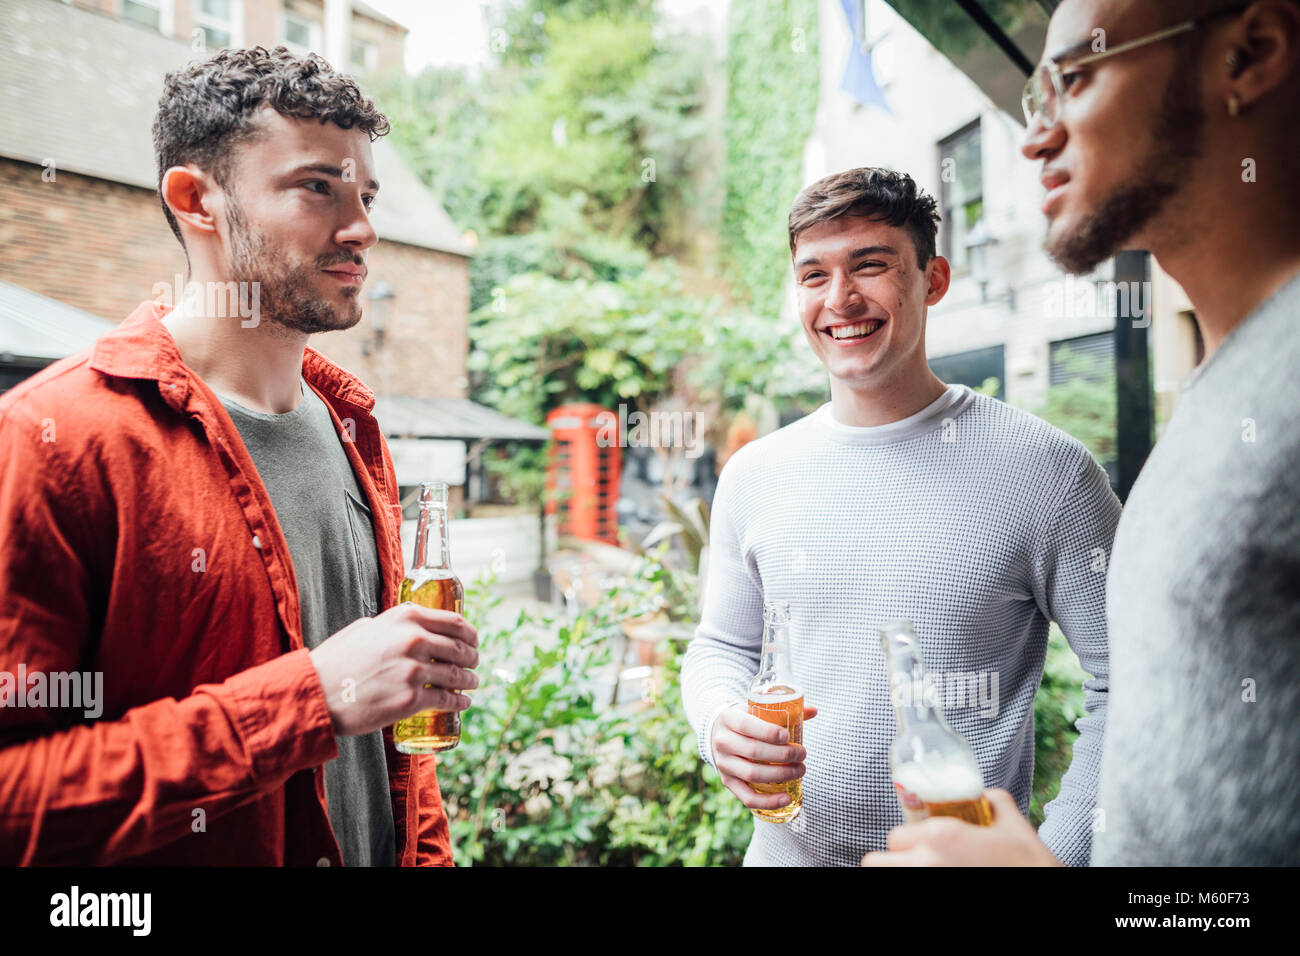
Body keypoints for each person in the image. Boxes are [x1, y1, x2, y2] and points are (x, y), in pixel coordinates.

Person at [0, 46, 478, 866]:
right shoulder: (54, 441)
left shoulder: (356, 429)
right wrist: (312, 698)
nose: (362, 227)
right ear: (196, 200)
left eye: (365, 194)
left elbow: (401, 755)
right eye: (316, 187)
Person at [865, 0, 1300, 866]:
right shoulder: (1229, 387)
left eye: (1076, 77)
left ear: (1249, 53)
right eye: (1034, 101)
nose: (1035, 139)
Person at [681, 166, 1120, 866]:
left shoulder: (1050, 472)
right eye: (813, 274)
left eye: (870, 265)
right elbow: (719, 648)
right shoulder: (754, 474)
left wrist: (1056, 857)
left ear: (934, 279)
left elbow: (1126, 681)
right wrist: (719, 725)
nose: (839, 299)